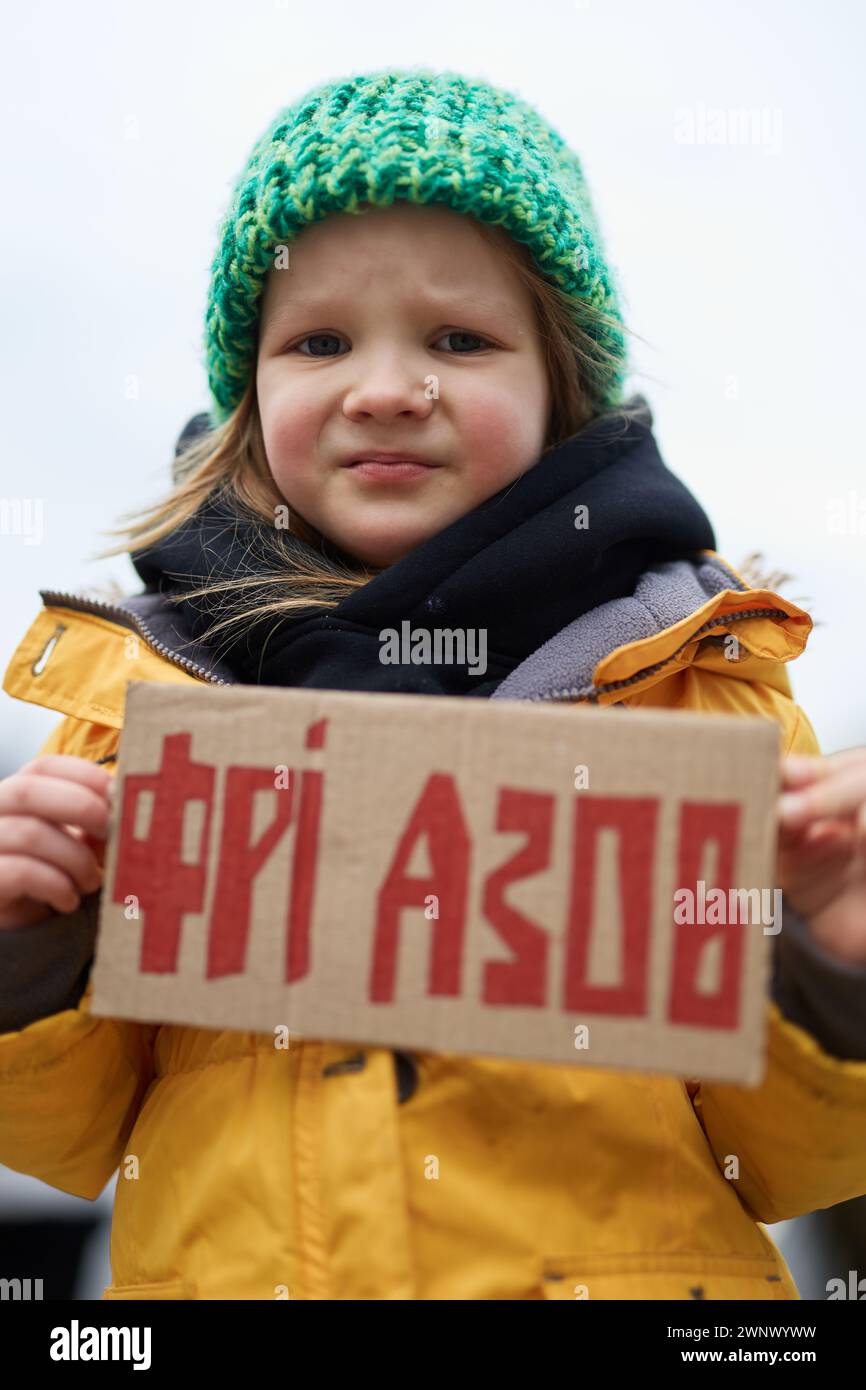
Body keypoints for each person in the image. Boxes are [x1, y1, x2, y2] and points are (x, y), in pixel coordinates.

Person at [1, 68, 865, 1302]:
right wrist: (28, 955)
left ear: (557, 384)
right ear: (248, 389)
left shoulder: (704, 690)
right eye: (319, 341)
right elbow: (54, 1134)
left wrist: (829, 964)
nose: (386, 387)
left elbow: (798, 1156)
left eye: (458, 339)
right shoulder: (135, 704)